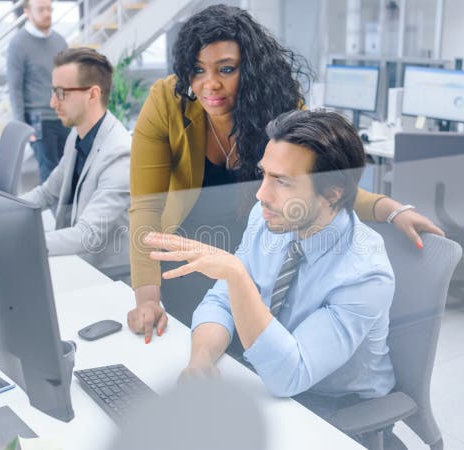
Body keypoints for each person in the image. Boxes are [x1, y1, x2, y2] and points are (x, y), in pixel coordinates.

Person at [127, 4, 441, 343]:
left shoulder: (278, 104)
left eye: (226, 69)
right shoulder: (166, 101)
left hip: (258, 261)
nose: (210, 84)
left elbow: (321, 184)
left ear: (250, 69)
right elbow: (146, 205)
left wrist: (390, 209)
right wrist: (147, 298)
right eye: (198, 70)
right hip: (188, 260)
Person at [147, 110, 395, 406]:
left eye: (282, 182)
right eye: (264, 174)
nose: (261, 195)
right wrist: (201, 361)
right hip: (265, 377)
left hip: (334, 405)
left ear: (331, 194)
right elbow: (221, 302)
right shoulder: (268, 220)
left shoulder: (365, 273)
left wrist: (236, 275)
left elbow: (291, 376)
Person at [20, 48, 130, 274]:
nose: (52, 103)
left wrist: (27, 243)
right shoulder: (78, 134)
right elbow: (47, 193)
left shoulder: (120, 152)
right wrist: (2, 212)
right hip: (76, 262)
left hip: (107, 277)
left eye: (61, 93)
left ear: (92, 95)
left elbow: (88, 234)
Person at [7, 0, 70, 182]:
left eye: (49, 8)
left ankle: (69, 210)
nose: (47, 13)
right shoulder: (18, 44)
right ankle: (58, 212)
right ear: (27, 12)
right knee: (49, 172)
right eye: (41, 9)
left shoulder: (59, 41)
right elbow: (15, 88)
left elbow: (63, 80)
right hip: (38, 120)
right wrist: (22, 126)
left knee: (70, 168)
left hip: (62, 116)